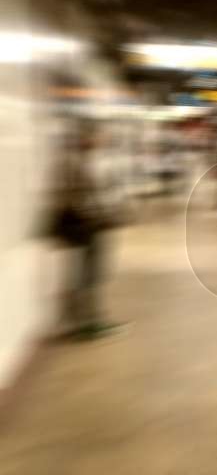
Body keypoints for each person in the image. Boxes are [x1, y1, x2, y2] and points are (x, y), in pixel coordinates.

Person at [53, 122, 126, 341]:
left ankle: (85, 321)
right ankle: (88, 324)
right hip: (87, 227)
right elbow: (83, 199)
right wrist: (103, 216)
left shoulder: (74, 160)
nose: (101, 140)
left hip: (86, 225)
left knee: (87, 274)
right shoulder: (79, 163)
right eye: (97, 136)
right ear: (86, 137)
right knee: (89, 275)